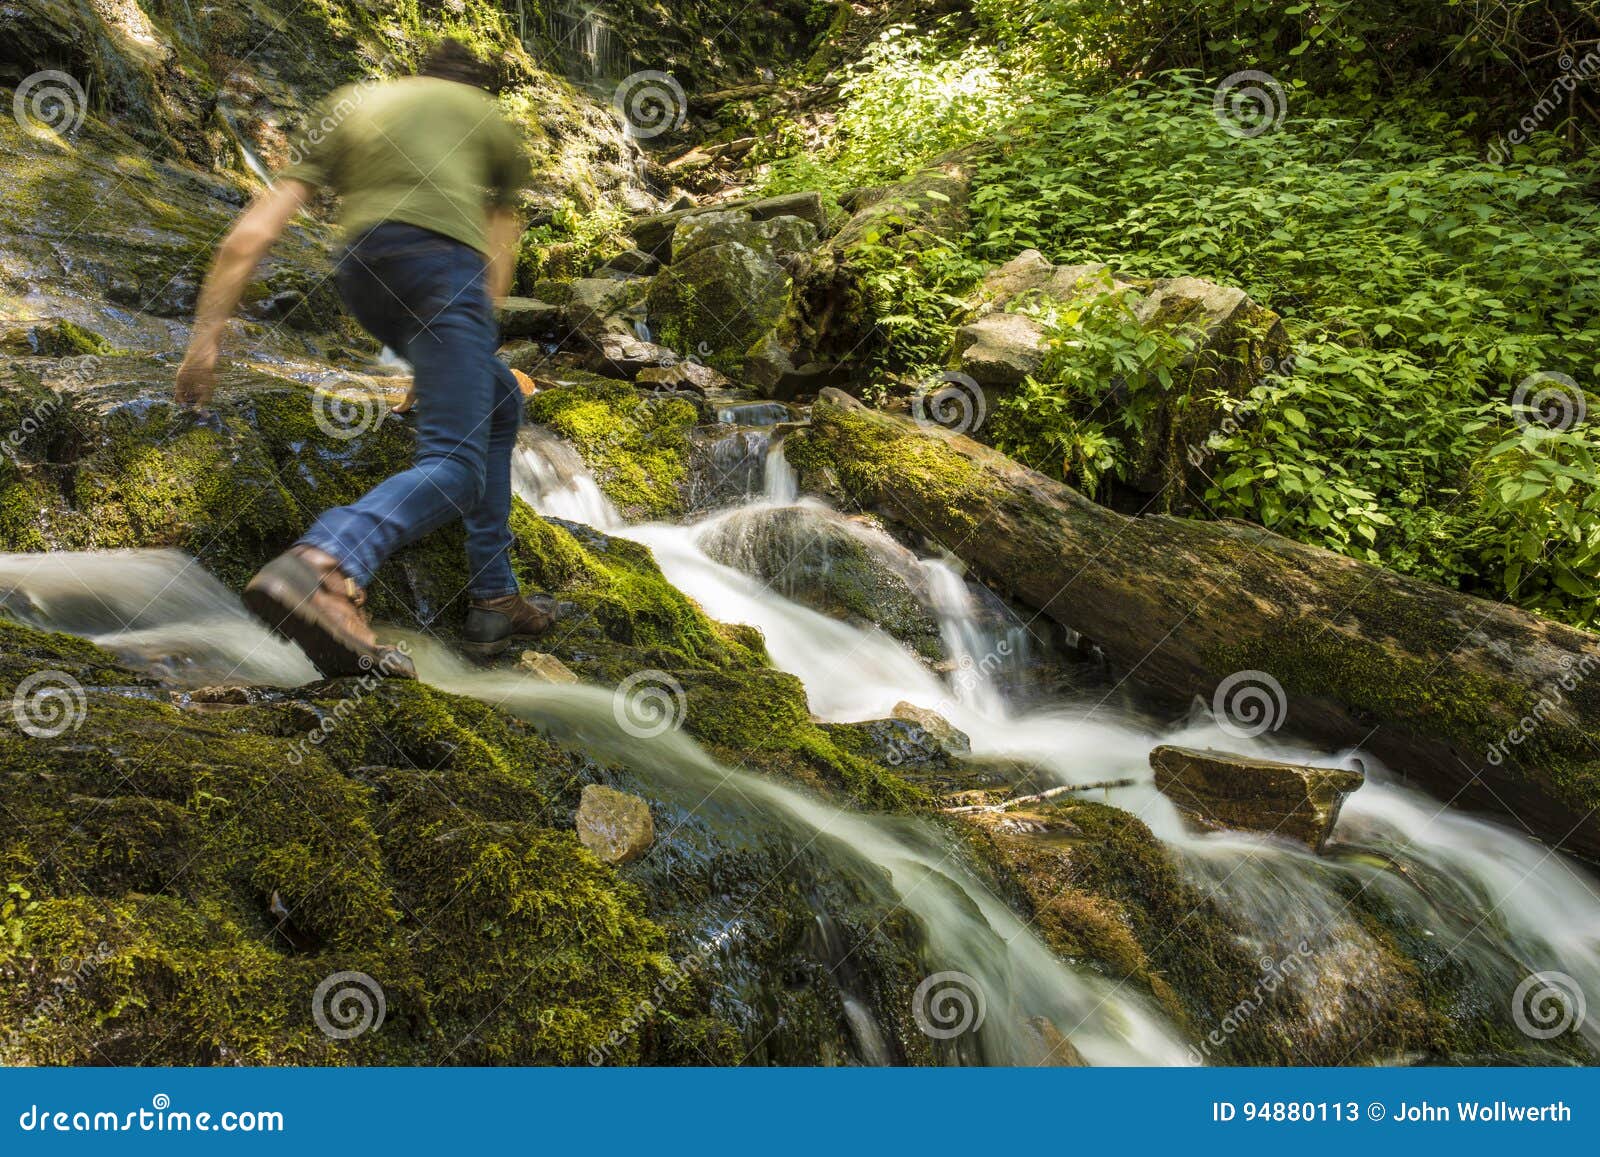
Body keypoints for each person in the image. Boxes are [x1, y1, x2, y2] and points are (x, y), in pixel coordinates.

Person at [174, 39, 555, 679]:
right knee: (456, 467)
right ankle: (324, 563)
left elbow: (256, 231)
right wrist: (460, 344)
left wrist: (204, 338)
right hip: (445, 273)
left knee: (500, 397)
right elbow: (497, 247)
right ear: (474, 87)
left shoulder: (356, 105)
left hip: (364, 272)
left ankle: (494, 595)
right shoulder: (487, 119)